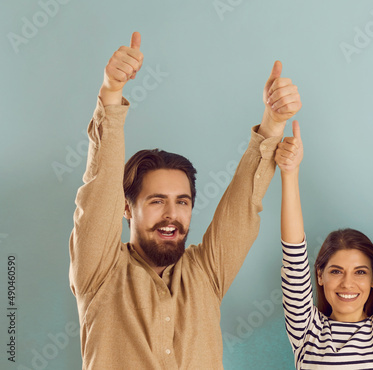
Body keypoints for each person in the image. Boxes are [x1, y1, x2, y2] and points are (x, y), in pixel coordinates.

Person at [68, 32, 301, 369]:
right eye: (156, 201)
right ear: (126, 208)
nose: (171, 215)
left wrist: (273, 123)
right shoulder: (99, 271)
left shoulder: (205, 272)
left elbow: (242, 205)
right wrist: (111, 94)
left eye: (182, 202)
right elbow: (100, 188)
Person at [277, 116, 373, 369]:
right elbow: (293, 257)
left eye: (360, 272)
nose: (347, 283)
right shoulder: (307, 332)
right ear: (320, 276)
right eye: (336, 271)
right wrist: (289, 173)